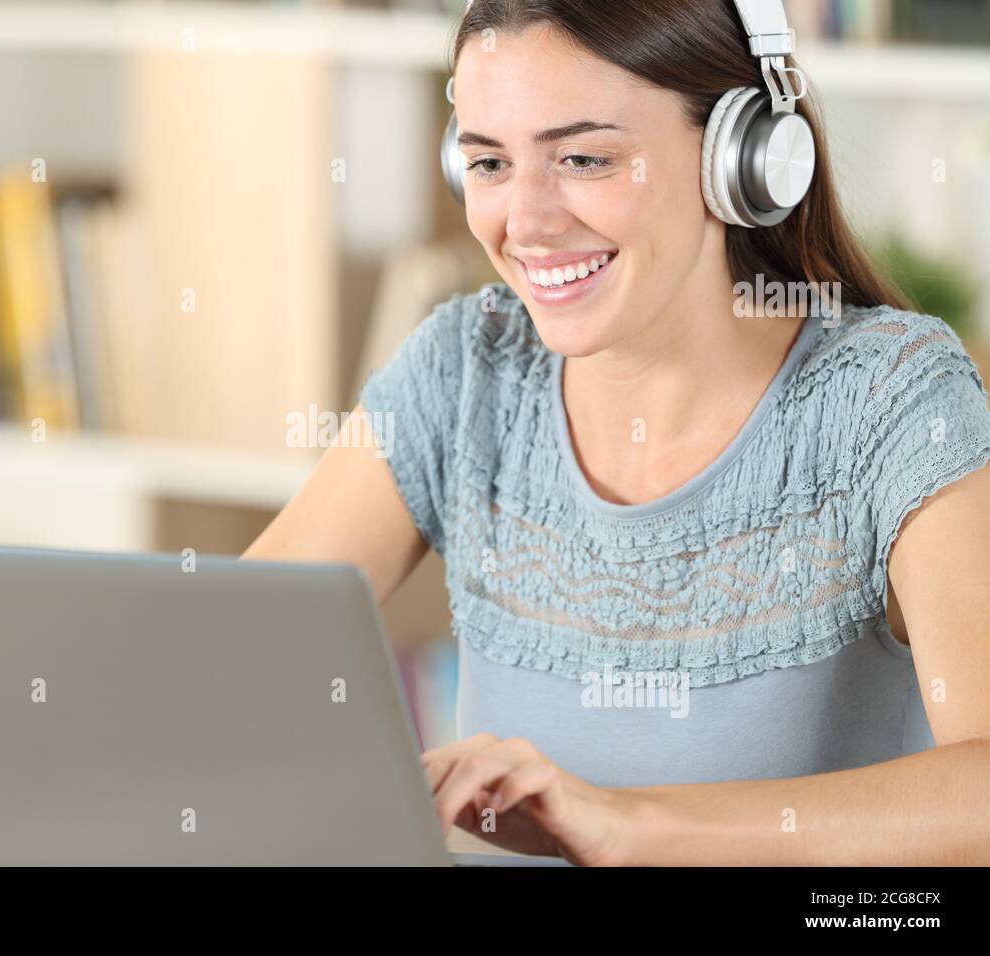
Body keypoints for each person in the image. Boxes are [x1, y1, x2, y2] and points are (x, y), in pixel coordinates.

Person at [243, 0, 990, 865]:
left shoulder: (890, 398)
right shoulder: (466, 370)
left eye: (585, 158)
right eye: (488, 162)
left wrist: (626, 825)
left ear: (742, 159)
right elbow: (219, 650)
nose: (524, 222)